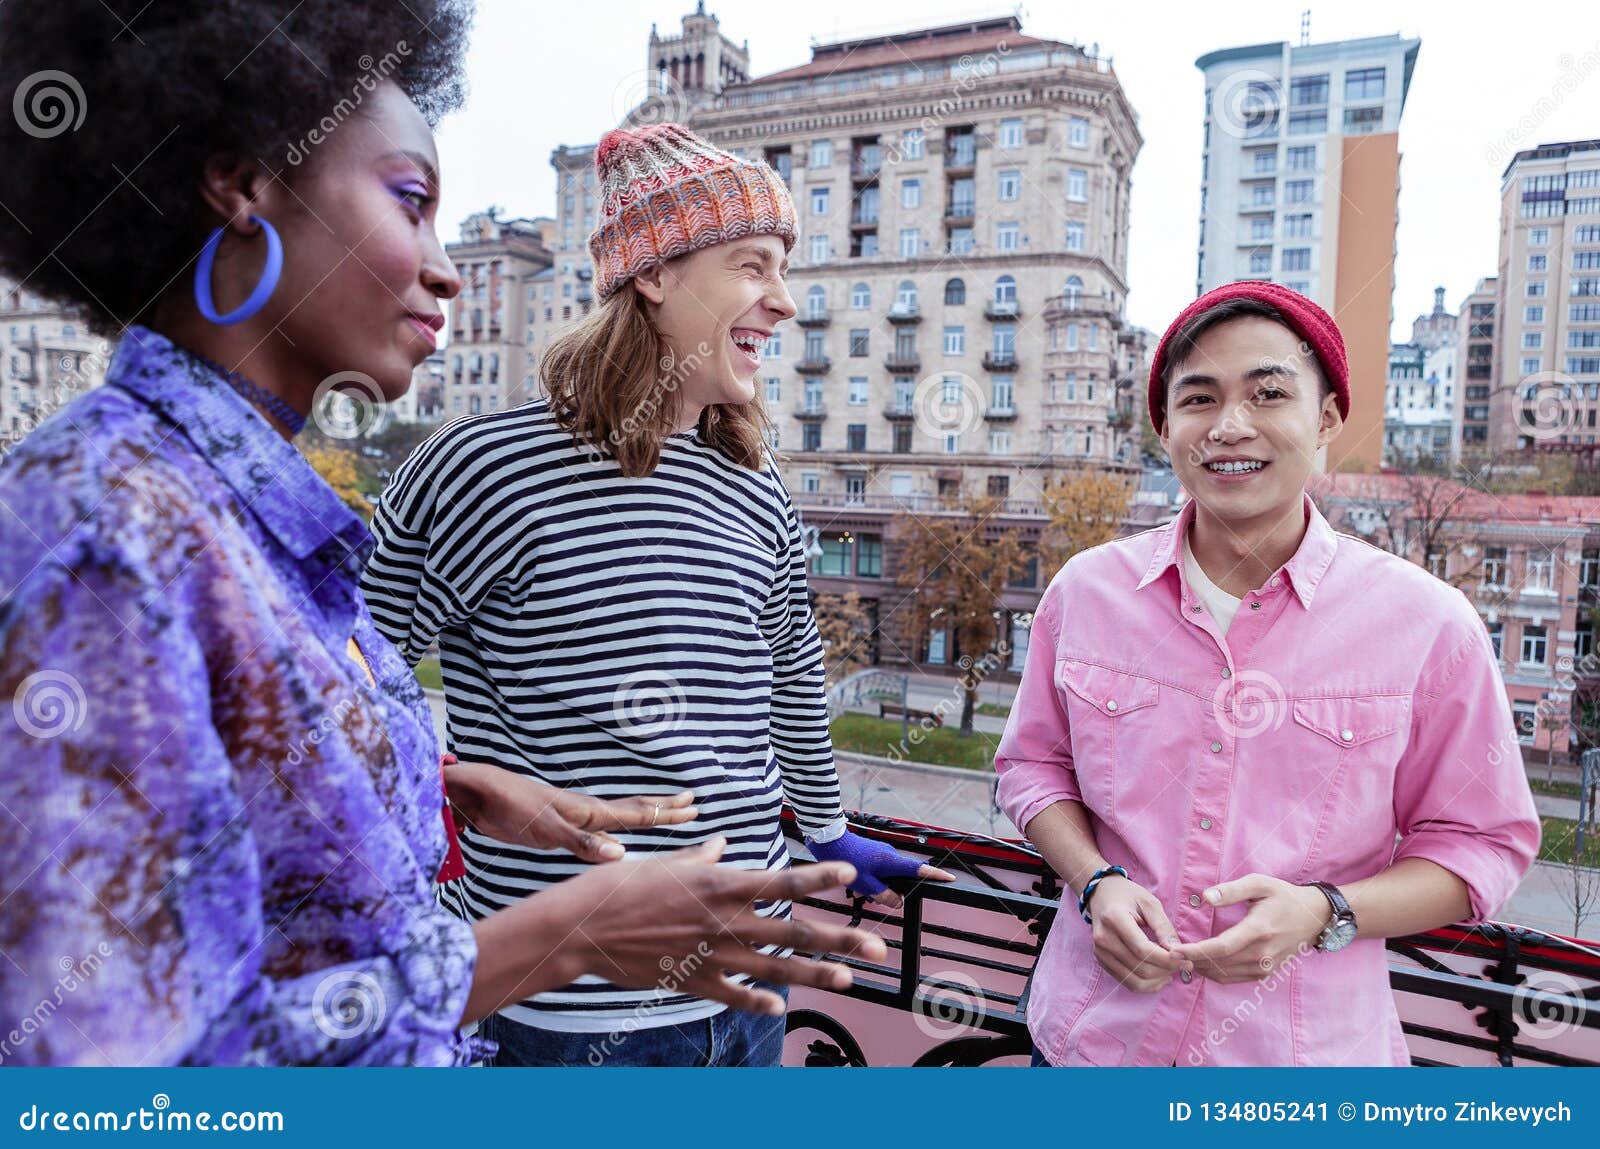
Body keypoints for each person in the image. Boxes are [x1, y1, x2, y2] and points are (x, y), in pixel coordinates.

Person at [0, 0, 883, 1067]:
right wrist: (563, 933)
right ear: (241, 188)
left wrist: (440, 780)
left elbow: (262, 766)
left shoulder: (261, 520)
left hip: (731, 988)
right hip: (572, 1040)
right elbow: (100, 1084)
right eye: (409, 202)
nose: (450, 268)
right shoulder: (103, 525)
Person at [361, 122, 952, 1067]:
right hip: (566, 1012)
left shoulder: (754, 480)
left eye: (784, 267)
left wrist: (829, 823)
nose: (784, 300)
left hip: (750, 979)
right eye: (751, 264)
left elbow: (792, 667)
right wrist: (450, 786)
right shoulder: (484, 469)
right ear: (655, 274)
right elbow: (344, 682)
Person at [994, 281, 1541, 1066]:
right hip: (1091, 1045)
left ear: (1325, 419)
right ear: (1164, 425)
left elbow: (1482, 844)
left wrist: (1325, 911)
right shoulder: (1087, 591)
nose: (1229, 426)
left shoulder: (1429, 625)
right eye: (1199, 398)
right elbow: (1031, 767)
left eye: (1268, 392)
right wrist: (1094, 881)